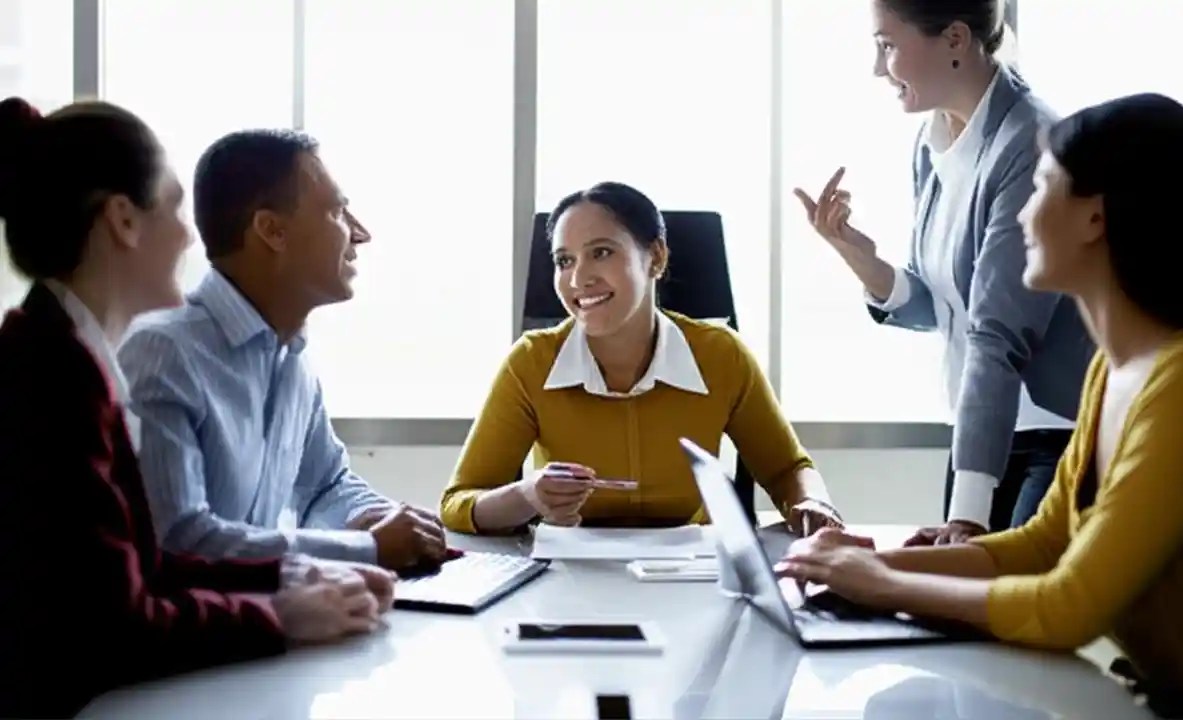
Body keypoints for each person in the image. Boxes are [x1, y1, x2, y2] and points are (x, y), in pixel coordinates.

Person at [777, 94, 1183, 714]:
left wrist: (882, 584)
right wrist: (867, 563)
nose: (1022, 214)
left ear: (1095, 217)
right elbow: (1045, 545)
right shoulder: (1114, 369)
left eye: (1040, 186)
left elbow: (1067, 607)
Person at [0, 97, 395, 718]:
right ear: (123, 221)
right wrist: (279, 615)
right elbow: (114, 625)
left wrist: (291, 578)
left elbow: (145, 565)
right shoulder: (50, 375)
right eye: (176, 208)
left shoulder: (65, 355)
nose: (192, 236)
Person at [795, 0, 1095, 545]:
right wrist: (854, 252)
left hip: (1053, 436)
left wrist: (966, 519)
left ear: (956, 39)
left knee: (1008, 614)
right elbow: (939, 304)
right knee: (958, 611)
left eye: (888, 46)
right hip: (980, 433)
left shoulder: (1030, 145)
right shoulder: (933, 142)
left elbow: (996, 331)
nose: (877, 68)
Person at [118, 129, 446, 572]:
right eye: (338, 211)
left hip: (263, 620)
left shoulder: (292, 358)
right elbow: (181, 539)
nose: (361, 234)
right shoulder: (164, 351)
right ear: (272, 230)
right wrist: (367, 549)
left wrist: (394, 522)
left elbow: (325, 486)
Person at [440, 181, 844, 536]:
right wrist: (527, 495)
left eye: (601, 252)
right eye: (564, 261)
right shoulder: (530, 362)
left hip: (694, 573)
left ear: (656, 257)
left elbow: (787, 470)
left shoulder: (721, 355)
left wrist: (815, 505)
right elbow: (459, 504)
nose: (579, 278)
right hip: (570, 576)